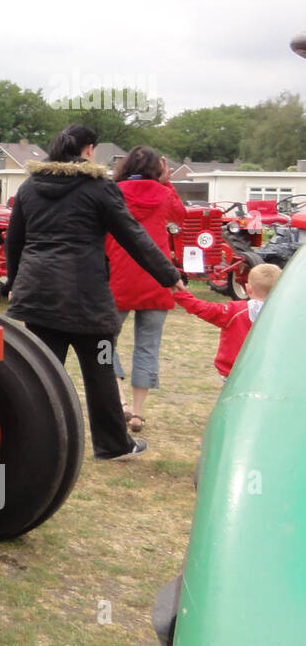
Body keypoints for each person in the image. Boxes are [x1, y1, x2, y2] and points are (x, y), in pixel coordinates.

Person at [6, 125, 181, 459]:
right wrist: (168, 274)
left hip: (39, 298)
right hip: (86, 302)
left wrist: (14, 284)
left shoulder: (29, 188)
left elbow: (15, 241)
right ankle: (113, 445)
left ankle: (34, 446)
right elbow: (132, 235)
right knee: (100, 370)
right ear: (88, 150)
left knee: (42, 373)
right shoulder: (99, 188)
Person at [106, 147, 187, 434]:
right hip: (156, 278)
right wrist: (167, 183)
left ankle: (119, 398)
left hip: (119, 277)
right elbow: (182, 217)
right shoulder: (164, 194)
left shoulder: (112, 193)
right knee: (148, 346)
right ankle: (138, 413)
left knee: (103, 342)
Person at [172, 263, 281, 378]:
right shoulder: (284, 315)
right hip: (270, 372)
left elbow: (204, 309)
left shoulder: (235, 311)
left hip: (234, 372)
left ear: (248, 289)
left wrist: (181, 295)